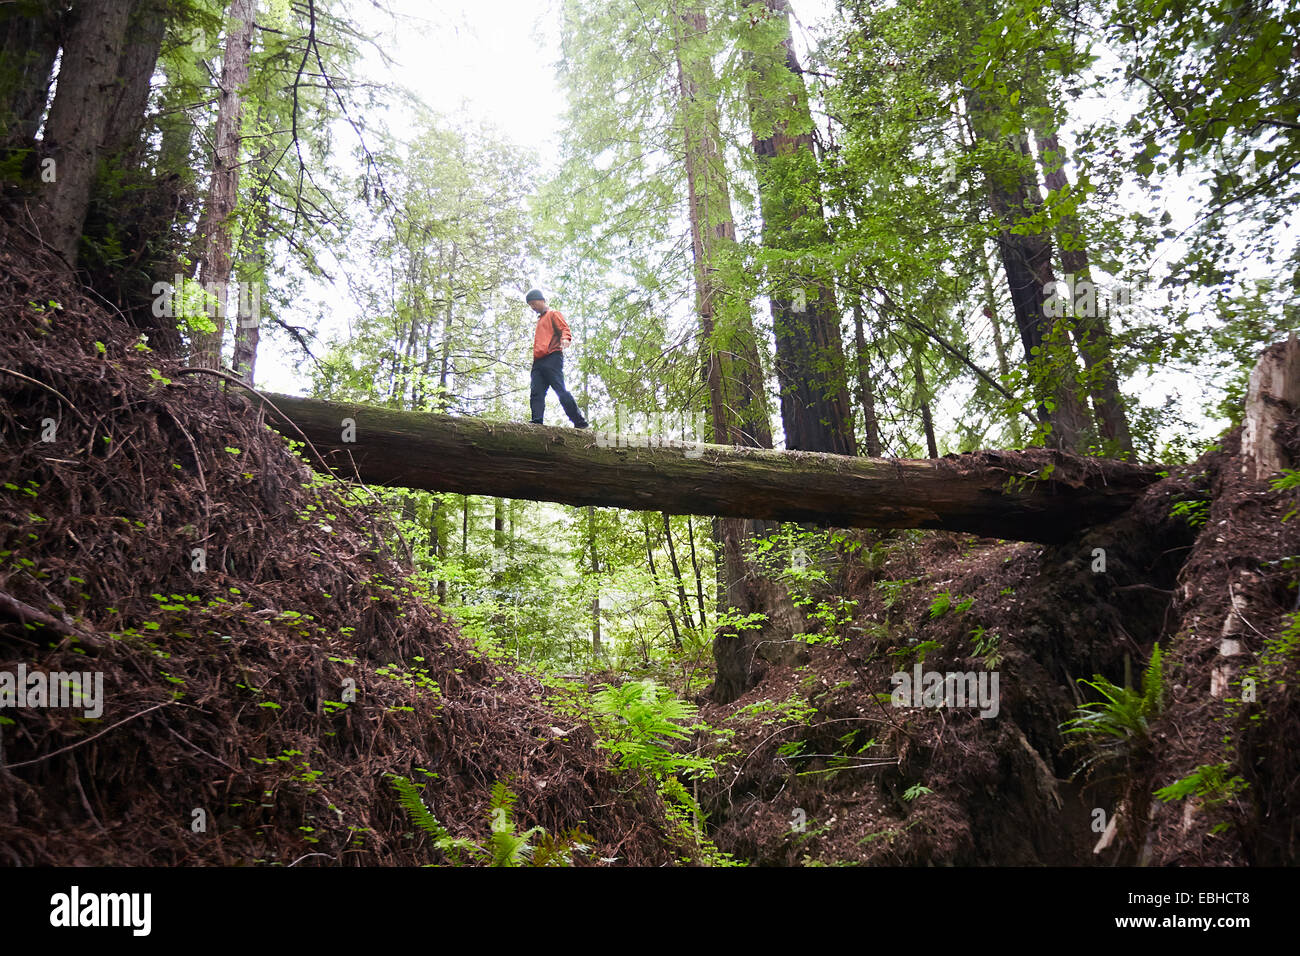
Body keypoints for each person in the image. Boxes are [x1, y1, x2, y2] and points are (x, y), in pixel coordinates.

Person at [526, 289, 588, 428]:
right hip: (538, 362)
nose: (533, 307)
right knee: (536, 392)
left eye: (534, 303)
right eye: (530, 305)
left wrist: (566, 339)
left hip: (552, 357)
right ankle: (537, 421)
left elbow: (564, 328)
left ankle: (580, 422)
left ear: (542, 300)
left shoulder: (553, 314)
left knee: (560, 390)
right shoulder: (539, 320)